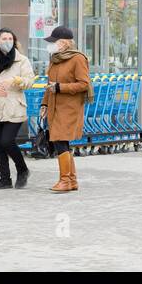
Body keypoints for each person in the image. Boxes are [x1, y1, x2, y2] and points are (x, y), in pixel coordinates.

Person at [0, 28, 35, 189]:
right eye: (4, 39)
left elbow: (30, 81)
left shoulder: (22, 60)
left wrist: (15, 80)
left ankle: (22, 169)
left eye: (10, 38)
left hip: (14, 107)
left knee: (7, 141)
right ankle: (5, 179)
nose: (7, 41)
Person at [44, 26, 92, 193]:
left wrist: (60, 87)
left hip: (69, 107)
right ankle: (70, 180)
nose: (50, 45)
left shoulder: (77, 59)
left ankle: (65, 180)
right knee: (61, 141)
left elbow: (84, 84)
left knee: (60, 140)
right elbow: (49, 84)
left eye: (53, 42)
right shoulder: (55, 59)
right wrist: (44, 104)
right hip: (54, 106)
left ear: (63, 43)